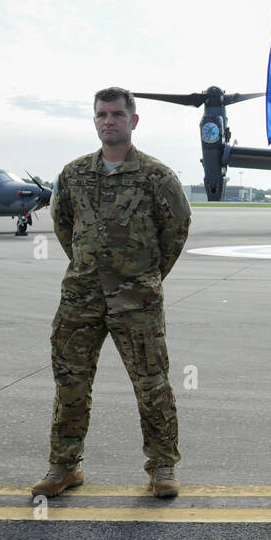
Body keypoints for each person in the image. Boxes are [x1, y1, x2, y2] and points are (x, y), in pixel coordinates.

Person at [32, 88, 191, 499]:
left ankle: (163, 466)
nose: (109, 121)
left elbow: (175, 230)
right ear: (95, 120)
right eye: (102, 114)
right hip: (80, 297)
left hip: (136, 300)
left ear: (133, 121)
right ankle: (64, 465)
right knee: (71, 382)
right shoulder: (73, 174)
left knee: (152, 384)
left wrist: (146, 277)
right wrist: (89, 265)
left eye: (117, 114)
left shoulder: (158, 177)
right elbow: (64, 224)